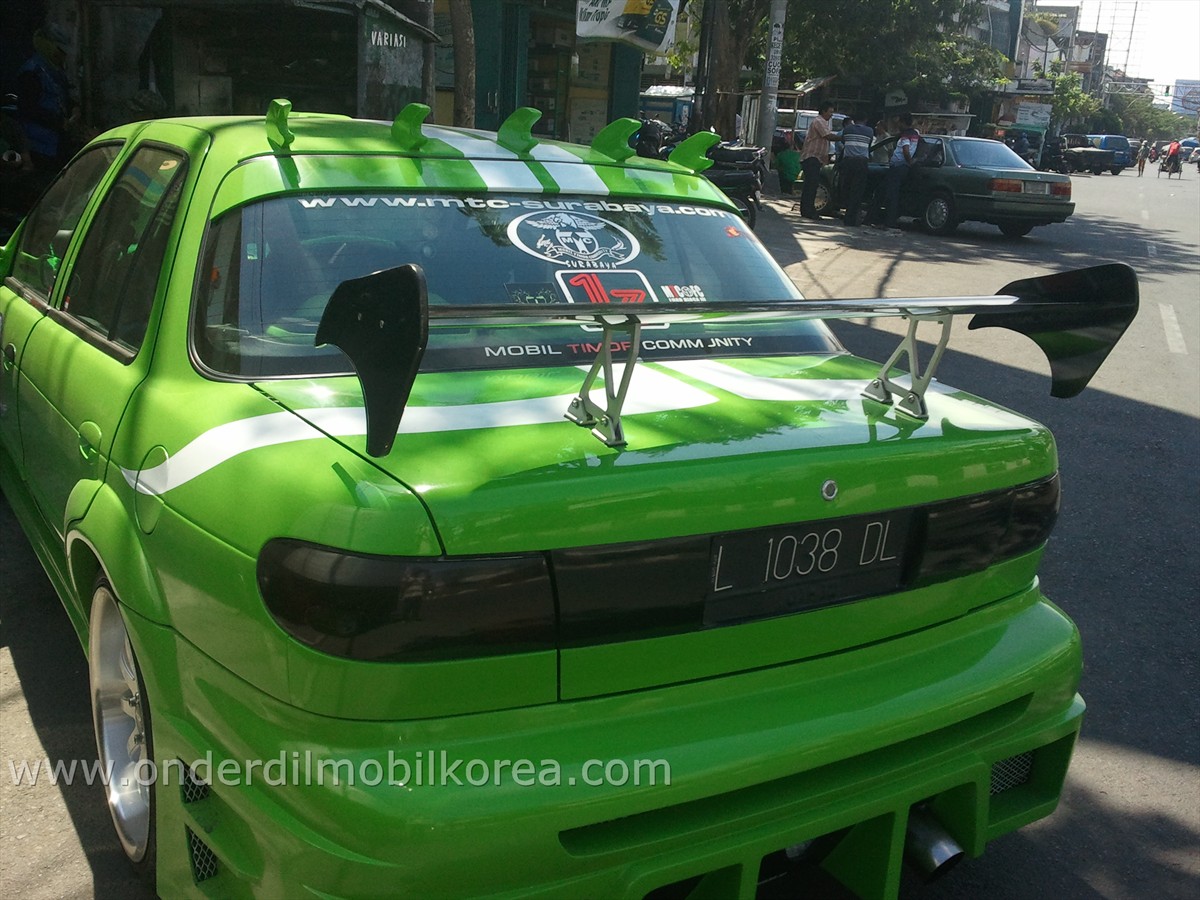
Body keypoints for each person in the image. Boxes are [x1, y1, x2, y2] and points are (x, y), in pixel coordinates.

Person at [16, 23, 75, 173]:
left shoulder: (55, 70)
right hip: (39, 146)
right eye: (59, 51)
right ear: (49, 46)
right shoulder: (31, 72)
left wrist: (75, 107)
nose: (63, 56)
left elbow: (62, 96)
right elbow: (27, 109)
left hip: (56, 142)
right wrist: (57, 121)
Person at [798, 101, 841, 220]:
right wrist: (844, 137)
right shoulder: (819, 121)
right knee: (811, 186)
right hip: (811, 157)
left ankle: (808, 209)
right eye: (830, 112)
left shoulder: (824, 122)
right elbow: (827, 136)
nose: (831, 115)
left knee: (812, 185)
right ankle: (808, 211)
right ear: (824, 111)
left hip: (816, 159)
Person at [879, 113, 919, 229]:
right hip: (903, 167)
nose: (898, 125)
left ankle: (889, 221)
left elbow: (906, 151)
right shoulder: (915, 134)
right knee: (893, 193)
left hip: (898, 167)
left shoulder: (906, 135)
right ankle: (888, 220)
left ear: (902, 122)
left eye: (899, 123)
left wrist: (909, 161)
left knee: (892, 194)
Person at [837, 113, 874, 227]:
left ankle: (847, 217)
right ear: (866, 119)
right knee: (857, 191)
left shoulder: (847, 129)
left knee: (847, 188)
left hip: (848, 162)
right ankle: (853, 218)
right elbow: (868, 143)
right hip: (861, 163)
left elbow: (843, 142)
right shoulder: (870, 131)